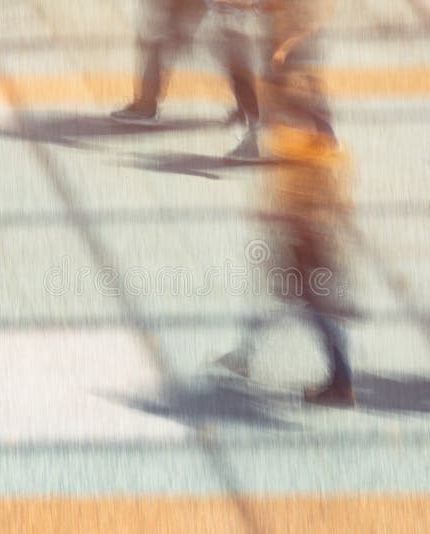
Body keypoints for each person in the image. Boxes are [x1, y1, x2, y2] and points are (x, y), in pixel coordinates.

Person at [216, 0, 357, 405]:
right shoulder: (305, 135)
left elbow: (321, 187)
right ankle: (246, 354)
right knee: (285, 295)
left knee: (309, 304)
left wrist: (283, 213)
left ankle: (340, 381)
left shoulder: (310, 141)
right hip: (304, 231)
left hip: (306, 235)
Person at [110, 0, 261, 159]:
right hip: (235, 12)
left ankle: (256, 135)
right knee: (234, 60)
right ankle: (250, 124)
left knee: (239, 62)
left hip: (245, 13)